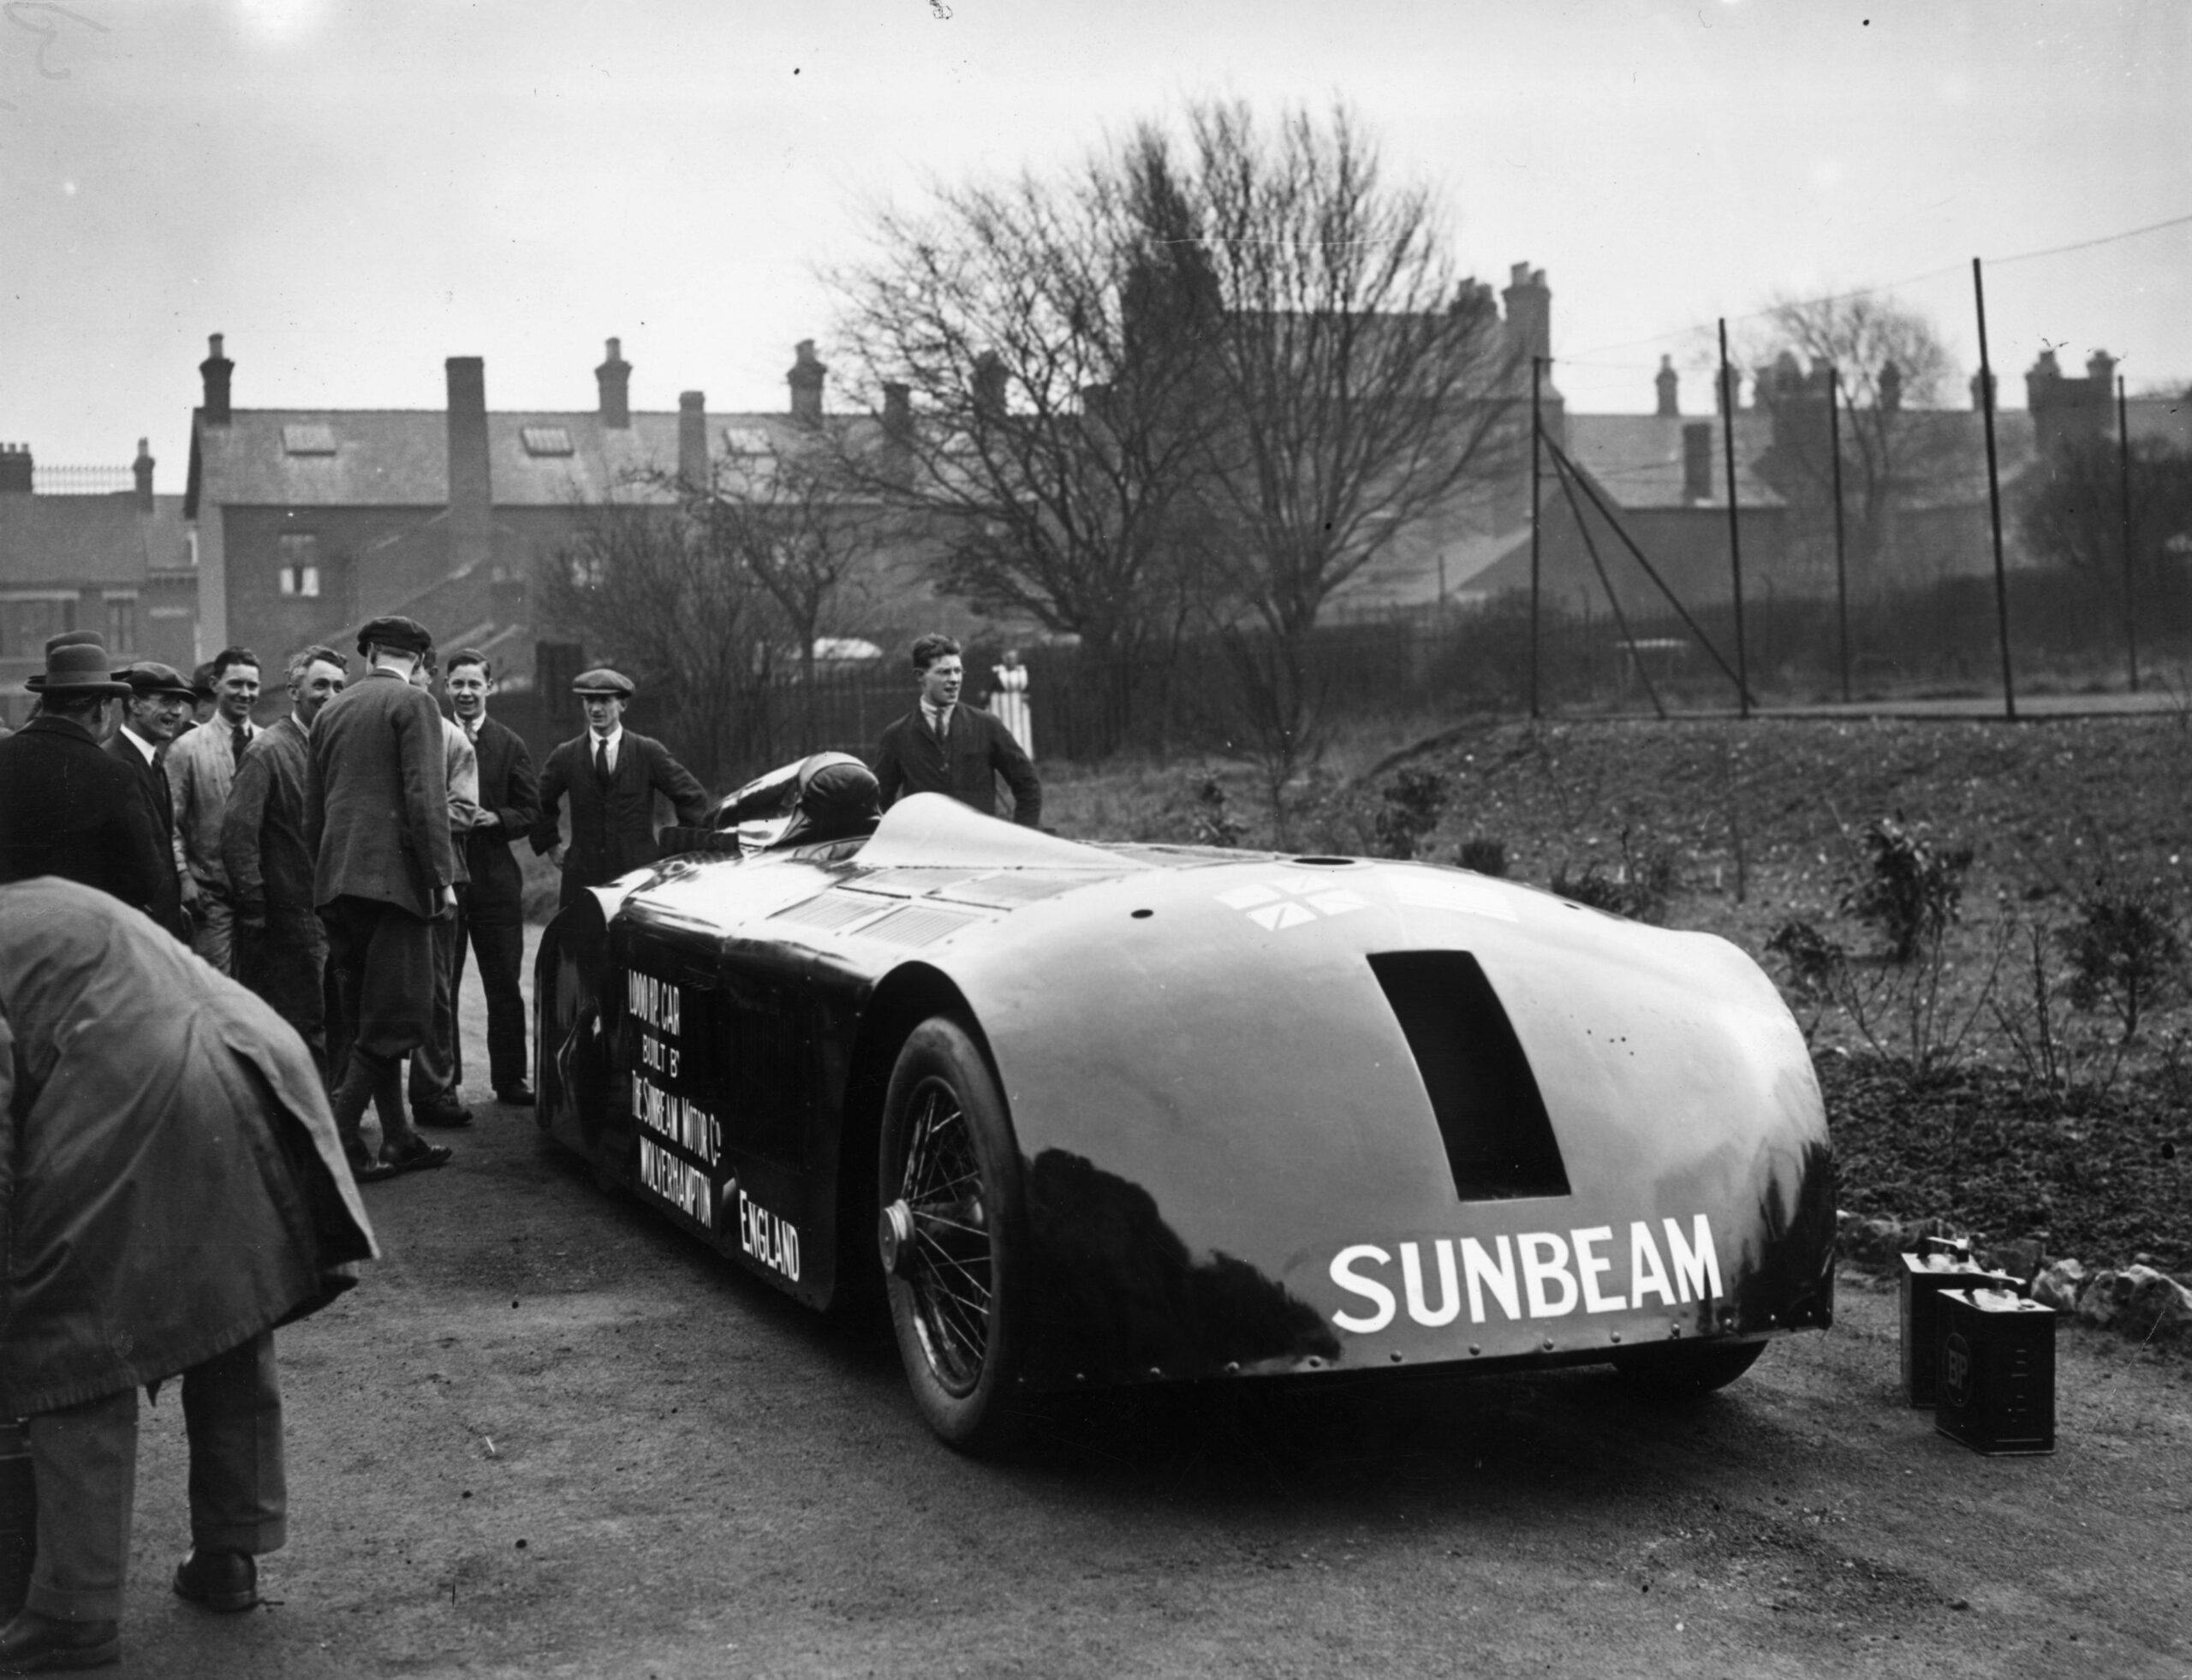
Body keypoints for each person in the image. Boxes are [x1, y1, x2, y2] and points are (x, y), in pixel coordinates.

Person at [0, 876, 377, 1675]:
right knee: (225, 1308)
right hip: (247, 1053)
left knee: (67, 1339)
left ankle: (74, 1613)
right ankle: (231, 1554)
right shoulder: (37, 901)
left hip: (140, 1083)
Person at [304, 615, 456, 1183]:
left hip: (337, 885)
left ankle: (398, 1139)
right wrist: (441, 877)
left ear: (370, 656)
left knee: (371, 1017)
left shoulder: (330, 711)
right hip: (394, 889)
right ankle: (337, 1140)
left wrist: (322, 878)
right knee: (398, 1017)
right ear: (419, 661)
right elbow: (425, 797)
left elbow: (312, 811)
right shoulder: (416, 705)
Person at [222, 645, 347, 1080]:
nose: (330, 694)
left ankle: (337, 1117)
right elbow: (238, 836)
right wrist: (256, 907)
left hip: (337, 910)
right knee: (303, 1023)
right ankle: (309, 1128)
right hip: (291, 916)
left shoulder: (340, 748)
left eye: (338, 686)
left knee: (342, 1017)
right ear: (294, 691)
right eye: (320, 685)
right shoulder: (267, 751)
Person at [0, 640, 168, 917]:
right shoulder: (113, 774)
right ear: (101, 708)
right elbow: (144, 882)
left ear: (46, 701)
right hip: (77, 940)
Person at [530, 667, 710, 911]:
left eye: (604, 701)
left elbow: (692, 797)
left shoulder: (648, 752)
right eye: (589, 700)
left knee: (635, 945)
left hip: (637, 875)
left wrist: (675, 850)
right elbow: (539, 800)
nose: (595, 709)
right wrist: (550, 844)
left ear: (623, 704)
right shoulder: (566, 755)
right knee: (582, 946)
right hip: (583, 877)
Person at [444, 649, 541, 1105]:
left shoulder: (509, 743)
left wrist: (496, 819)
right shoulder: (433, 739)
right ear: (446, 688)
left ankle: (510, 1078)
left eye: (474, 684)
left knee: (503, 983)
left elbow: (531, 812)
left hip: (495, 879)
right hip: (444, 876)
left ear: (489, 688)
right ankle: (444, 1082)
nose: (466, 692)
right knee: (442, 983)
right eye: (457, 684)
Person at [403, 647, 485, 1131]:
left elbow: (463, 811)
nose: (408, 680)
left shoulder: (452, 740)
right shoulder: (373, 729)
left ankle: (433, 1092)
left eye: (416, 670)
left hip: (438, 878)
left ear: (430, 677)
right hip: (379, 877)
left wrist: (404, 821)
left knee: (436, 988)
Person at [872, 633, 1042, 827]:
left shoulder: (987, 725)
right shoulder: (897, 735)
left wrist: (1023, 835)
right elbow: (878, 802)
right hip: (925, 851)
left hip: (978, 848)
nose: (954, 679)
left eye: (958, 671)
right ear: (920, 676)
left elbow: (1028, 784)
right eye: (944, 672)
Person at [165, 645, 264, 972]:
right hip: (210, 896)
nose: (245, 693)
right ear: (215, 684)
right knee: (215, 982)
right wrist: (184, 878)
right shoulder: (187, 748)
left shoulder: (269, 744)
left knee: (262, 990)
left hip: (263, 897)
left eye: (252, 686)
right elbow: (171, 823)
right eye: (236, 684)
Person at [107, 661, 200, 942]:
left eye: (179, 703)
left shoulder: (152, 761)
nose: (177, 712)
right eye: (167, 702)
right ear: (134, 704)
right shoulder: (113, 764)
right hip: (136, 928)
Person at [989, 646, 1034, 760]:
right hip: (1002, 706)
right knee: (1004, 729)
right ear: (1004, 659)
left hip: (1019, 706)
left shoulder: (1023, 671)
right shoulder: (997, 672)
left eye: (1013, 658)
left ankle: (1022, 755)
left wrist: (1027, 694)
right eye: (1008, 658)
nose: (1011, 661)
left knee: (1021, 730)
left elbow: (1030, 687)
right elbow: (991, 688)